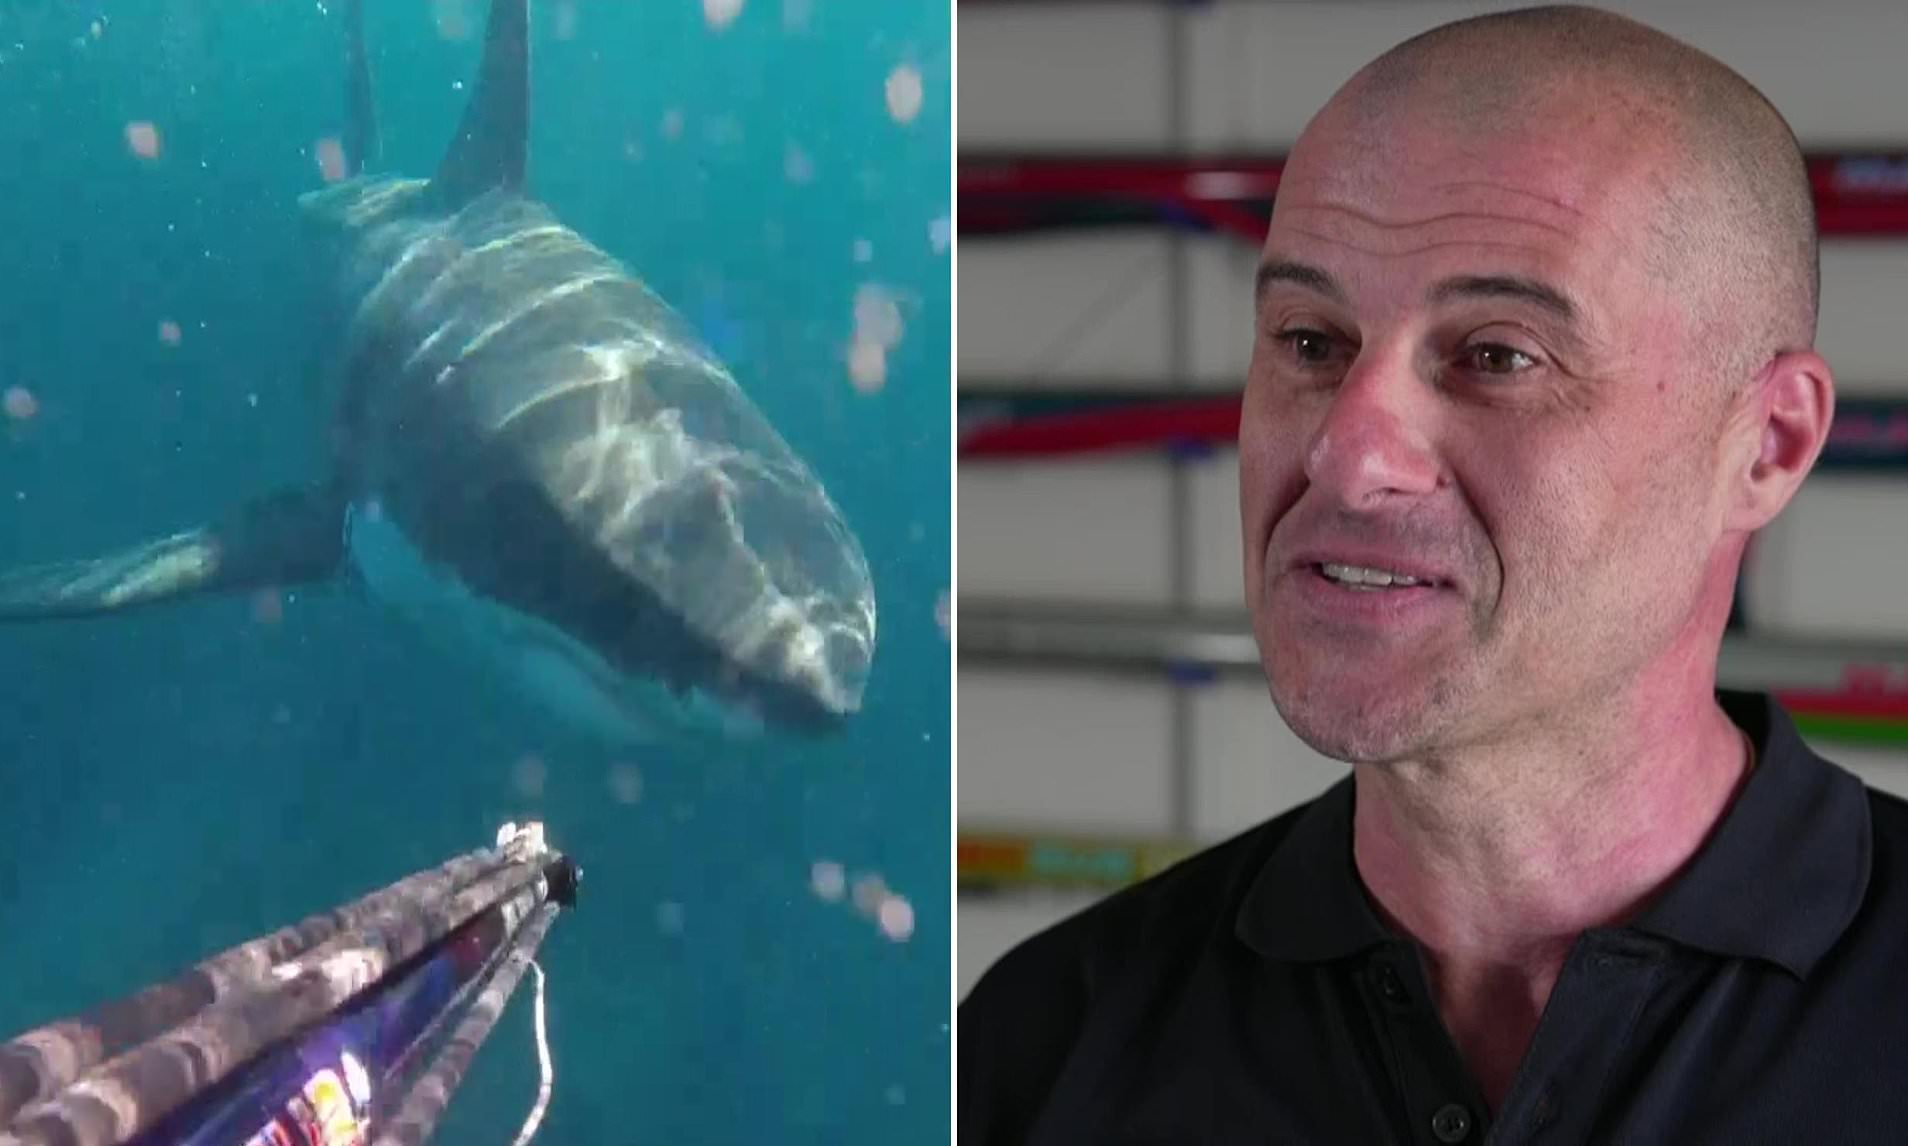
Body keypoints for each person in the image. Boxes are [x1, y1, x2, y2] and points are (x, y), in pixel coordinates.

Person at [958, 6, 1908, 1143]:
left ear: (1767, 446)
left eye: (1497, 355)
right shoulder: (1039, 1052)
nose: (1346, 455)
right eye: (1311, 342)